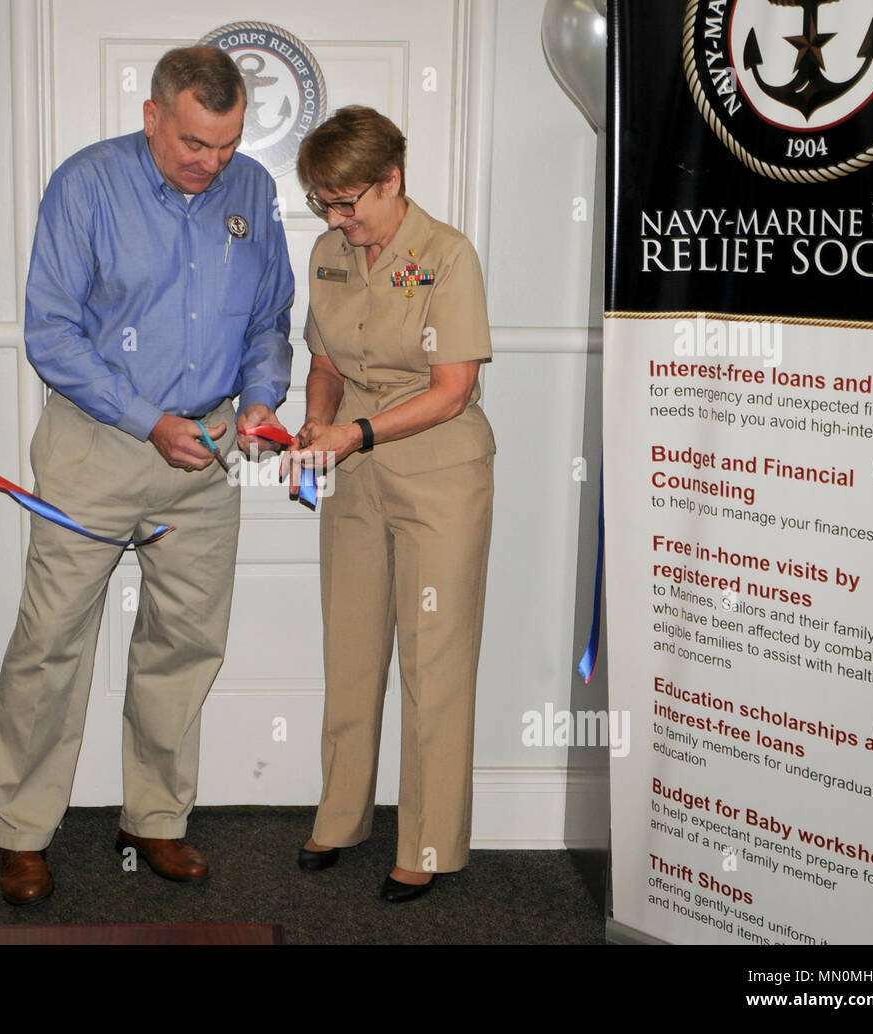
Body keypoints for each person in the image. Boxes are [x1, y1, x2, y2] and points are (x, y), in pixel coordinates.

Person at [0, 46, 294, 905]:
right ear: (153, 114)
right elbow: (50, 334)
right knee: (51, 643)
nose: (213, 164)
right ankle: (20, 830)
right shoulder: (85, 185)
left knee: (184, 643)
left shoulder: (252, 193)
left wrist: (264, 399)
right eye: (196, 143)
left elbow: (271, 315)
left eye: (228, 146)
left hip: (208, 450)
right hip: (99, 445)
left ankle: (154, 820)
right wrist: (145, 421)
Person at [289, 106, 495, 903]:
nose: (340, 221)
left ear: (392, 181)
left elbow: (453, 390)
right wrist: (316, 420)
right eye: (325, 205)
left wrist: (357, 433)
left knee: (433, 663)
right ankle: (342, 817)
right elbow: (326, 360)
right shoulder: (328, 255)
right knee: (350, 650)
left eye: (350, 204)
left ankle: (429, 842)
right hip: (354, 468)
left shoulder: (447, 256)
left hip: (439, 471)